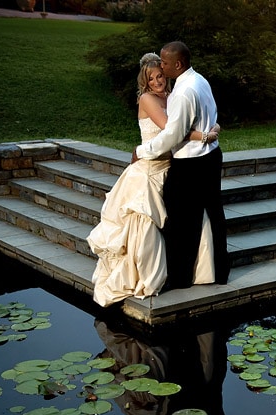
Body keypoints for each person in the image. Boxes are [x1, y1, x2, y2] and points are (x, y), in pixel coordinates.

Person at [87, 52, 219, 307]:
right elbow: (173, 129)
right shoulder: (147, 99)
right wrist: (206, 135)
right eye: (152, 78)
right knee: (146, 223)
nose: (158, 81)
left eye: (160, 75)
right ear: (145, 81)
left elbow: (191, 120)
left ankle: (195, 272)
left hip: (172, 166)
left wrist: (213, 127)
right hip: (148, 169)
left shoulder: (173, 96)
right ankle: (146, 276)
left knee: (188, 218)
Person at [133, 41, 230, 289]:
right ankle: (220, 272)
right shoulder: (199, 80)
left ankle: (180, 278)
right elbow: (213, 114)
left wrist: (142, 150)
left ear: (178, 64)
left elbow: (173, 134)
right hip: (211, 156)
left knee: (179, 221)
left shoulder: (184, 92)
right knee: (214, 214)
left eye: (164, 63)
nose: (161, 68)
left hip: (191, 162)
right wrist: (211, 132)